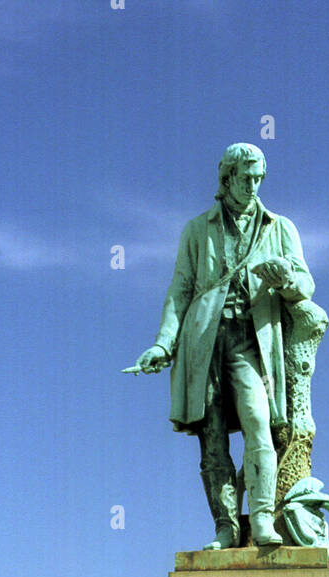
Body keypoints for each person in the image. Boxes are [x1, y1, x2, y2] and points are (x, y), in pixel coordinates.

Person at [135, 143, 315, 549]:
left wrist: (286, 279)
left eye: (258, 178)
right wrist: (164, 343)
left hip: (251, 341)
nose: (252, 185)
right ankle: (226, 527)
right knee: (212, 439)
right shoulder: (197, 230)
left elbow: (306, 283)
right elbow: (180, 290)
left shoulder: (280, 227)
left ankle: (264, 518)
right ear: (227, 177)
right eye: (245, 177)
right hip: (203, 342)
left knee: (259, 426)